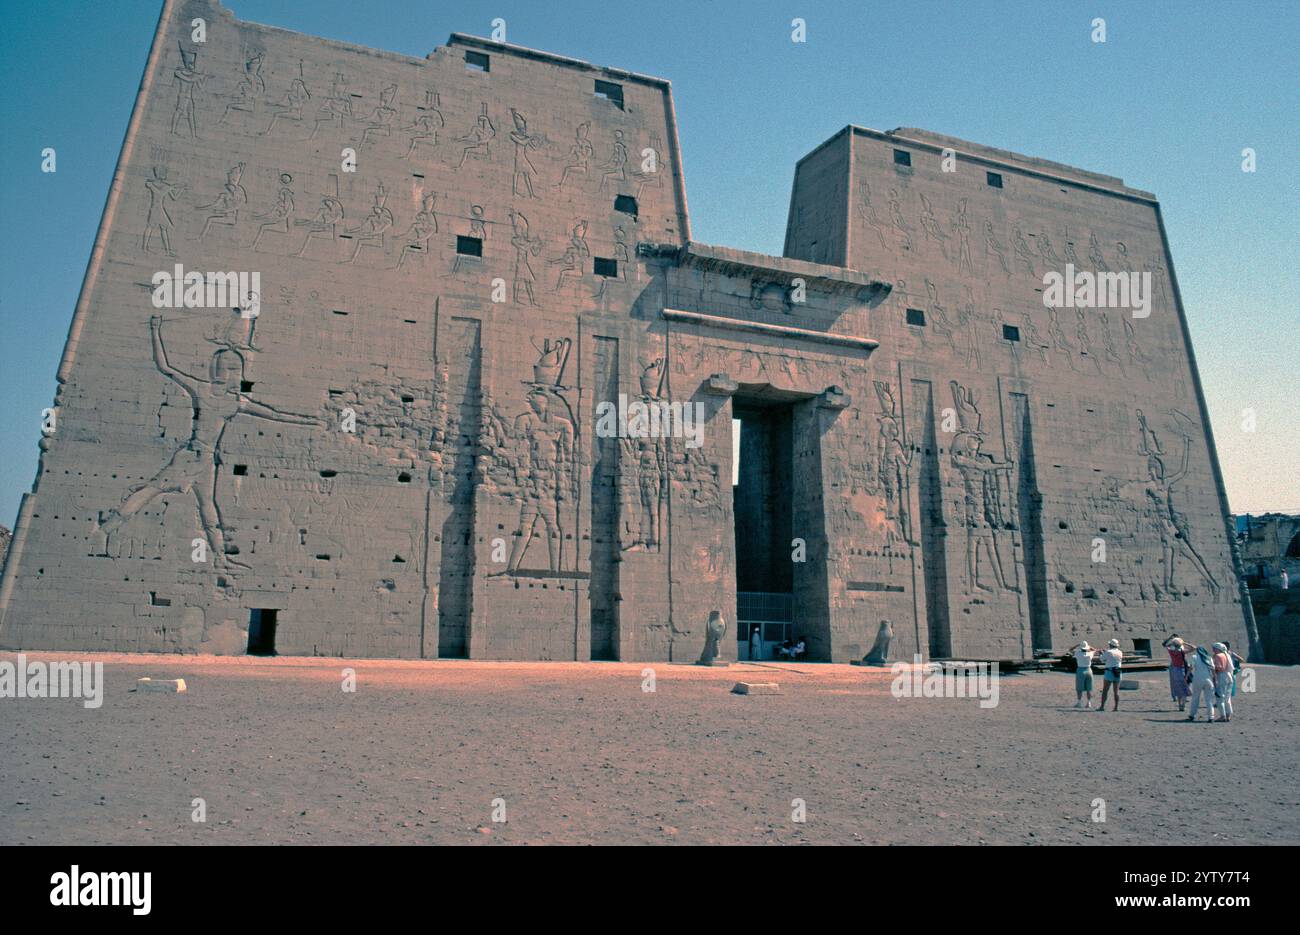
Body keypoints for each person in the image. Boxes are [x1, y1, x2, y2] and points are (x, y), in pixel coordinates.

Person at [1186, 643, 1218, 722]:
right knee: (1209, 700)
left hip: (1197, 679)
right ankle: (1211, 717)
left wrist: (1186, 676)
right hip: (1208, 680)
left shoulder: (1194, 657)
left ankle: (1192, 715)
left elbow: (1190, 668)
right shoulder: (1209, 658)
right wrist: (1215, 679)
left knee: (1195, 698)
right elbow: (1213, 670)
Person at [1162, 635, 1191, 711]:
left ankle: (1179, 705)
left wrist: (1170, 640)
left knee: (1178, 688)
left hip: (1175, 669)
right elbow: (1194, 648)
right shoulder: (1182, 652)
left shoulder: (1171, 651)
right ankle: (1183, 705)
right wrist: (1184, 643)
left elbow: (1164, 645)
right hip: (1182, 669)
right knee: (1184, 688)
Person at [1098, 639, 1123, 711]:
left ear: (1110, 645)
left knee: (1105, 690)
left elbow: (1102, 659)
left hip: (1109, 671)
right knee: (1116, 691)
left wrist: (1101, 653)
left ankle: (1102, 706)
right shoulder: (1120, 652)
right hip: (1118, 671)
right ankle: (1116, 707)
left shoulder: (1109, 652)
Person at [1212, 642, 1235, 722]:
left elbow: (1220, 668)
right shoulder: (1226, 655)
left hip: (1222, 676)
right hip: (1229, 676)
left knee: (1220, 697)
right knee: (1227, 698)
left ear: (1218, 649)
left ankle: (1222, 716)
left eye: (1214, 648)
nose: (1213, 650)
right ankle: (1228, 714)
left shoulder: (1218, 656)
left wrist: (1212, 667)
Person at [1070, 641, 1096, 709]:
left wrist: (1077, 645)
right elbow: (1094, 650)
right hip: (1089, 670)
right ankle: (1089, 702)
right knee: (1089, 688)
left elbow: (1070, 650)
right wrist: (1089, 646)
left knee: (1079, 688)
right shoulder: (1090, 653)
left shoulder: (1078, 653)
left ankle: (1079, 702)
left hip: (1080, 670)